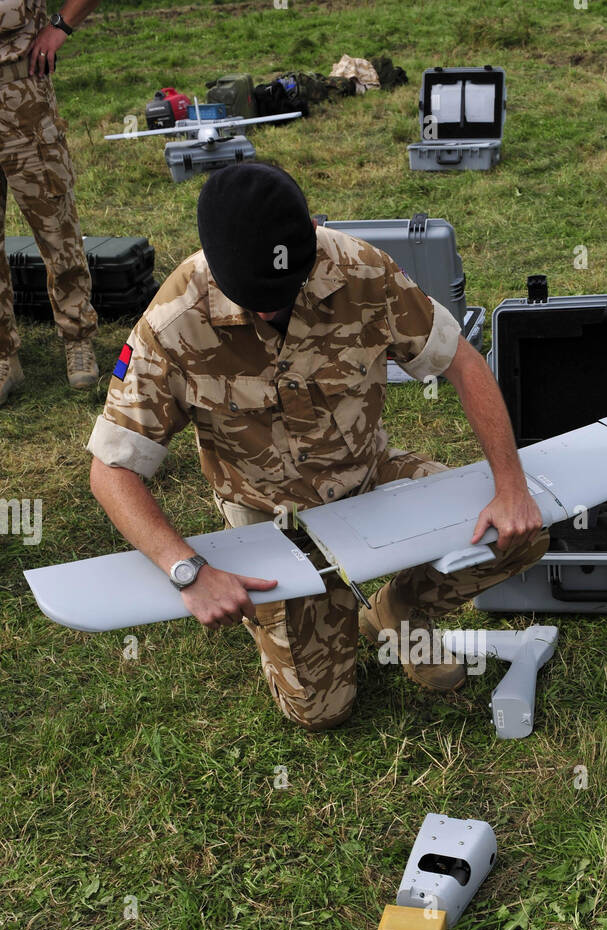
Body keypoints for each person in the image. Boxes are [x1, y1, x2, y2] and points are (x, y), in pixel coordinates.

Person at [87, 162, 549, 730]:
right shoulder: (173, 322)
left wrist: (511, 486)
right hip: (268, 517)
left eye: (282, 293)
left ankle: (401, 609)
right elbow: (111, 469)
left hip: (367, 471)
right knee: (322, 712)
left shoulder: (359, 268)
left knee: (519, 532)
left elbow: (462, 361)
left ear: (309, 234)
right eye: (253, 298)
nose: (269, 311)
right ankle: (295, 621)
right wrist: (189, 570)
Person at [0, 0, 100, 407]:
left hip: (23, 95)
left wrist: (60, 26)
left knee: (56, 227)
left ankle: (77, 337)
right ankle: (3, 353)